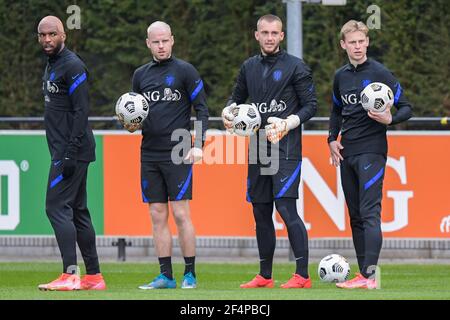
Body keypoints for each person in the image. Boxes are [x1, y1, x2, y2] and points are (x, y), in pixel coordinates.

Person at [222, 14, 317, 289]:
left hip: (285, 147)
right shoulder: (248, 66)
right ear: (257, 35)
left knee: (286, 208)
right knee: (260, 211)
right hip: (258, 146)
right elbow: (236, 98)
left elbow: (311, 105)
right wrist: (228, 111)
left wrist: (289, 122)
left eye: (275, 33)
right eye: (265, 33)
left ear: (282, 36)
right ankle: (265, 276)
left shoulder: (296, 67)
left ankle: (302, 276)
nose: (270, 37)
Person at [121, 21, 209, 289]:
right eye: (155, 42)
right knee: (157, 214)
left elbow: (202, 110)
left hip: (179, 152)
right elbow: (134, 111)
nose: (161, 46)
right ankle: (166, 276)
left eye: (165, 41)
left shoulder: (185, 71)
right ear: (148, 43)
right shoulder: (140, 75)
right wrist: (130, 124)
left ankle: (190, 274)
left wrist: (199, 144)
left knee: (181, 214)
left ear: (172, 40)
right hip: (149, 152)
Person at [328, 20, 412, 289]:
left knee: (369, 213)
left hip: (372, 151)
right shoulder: (340, 76)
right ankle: (365, 276)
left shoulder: (380, 72)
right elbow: (336, 111)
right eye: (352, 42)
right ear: (343, 44)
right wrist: (331, 139)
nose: (358, 46)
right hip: (347, 152)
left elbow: (407, 107)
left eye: (362, 41)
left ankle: (369, 276)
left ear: (367, 42)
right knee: (354, 216)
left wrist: (391, 119)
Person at [37, 16, 105, 291]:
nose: (47, 39)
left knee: (55, 207)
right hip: (67, 149)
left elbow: (81, 111)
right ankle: (94, 277)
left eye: (52, 34)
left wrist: (69, 153)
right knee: (78, 211)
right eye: (42, 35)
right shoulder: (52, 63)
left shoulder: (72, 65)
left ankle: (70, 274)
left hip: (71, 151)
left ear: (63, 34)